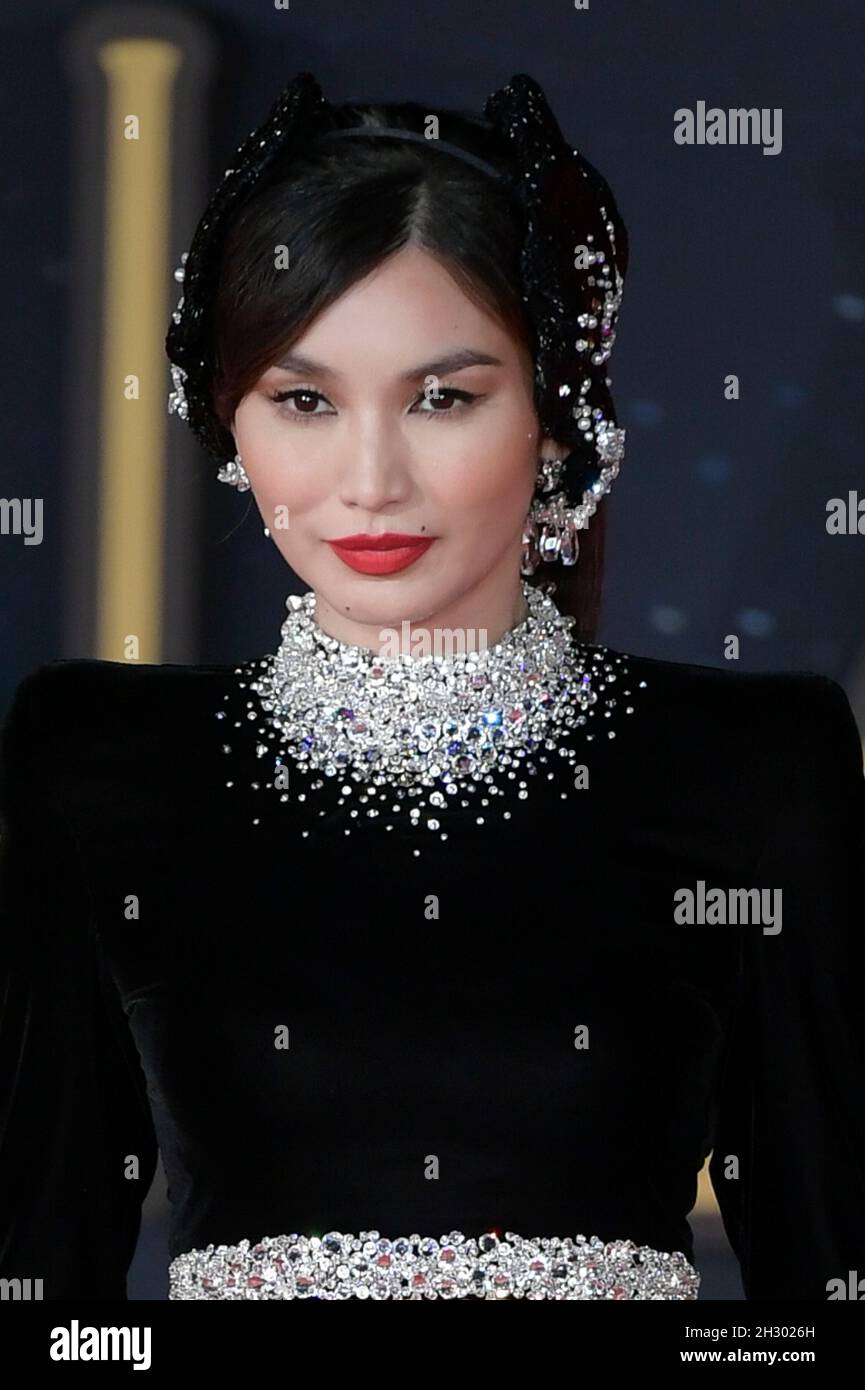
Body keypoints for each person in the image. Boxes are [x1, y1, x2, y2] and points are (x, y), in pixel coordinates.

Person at [0, 71, 863, 1302]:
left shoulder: (753, 766)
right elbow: (41, 1284)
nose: (368, 480)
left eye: (443, 398)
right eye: (304, 399)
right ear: (227, 423)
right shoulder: (96, 759)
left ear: (556, 421)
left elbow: (825, 1284)